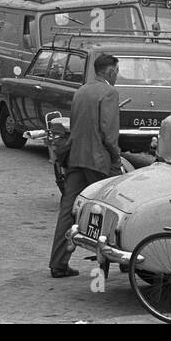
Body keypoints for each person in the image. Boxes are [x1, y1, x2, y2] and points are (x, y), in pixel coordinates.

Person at [49, 53, 122, 278]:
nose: (117, 75)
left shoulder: (82, 91)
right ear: (110, 71)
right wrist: (116, 156)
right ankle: (107, 263)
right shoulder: (109, 92)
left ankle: (58, 262)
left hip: (76, 157)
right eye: (117, 71)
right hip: (98, 161)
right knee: (109, 211)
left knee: (68, 209)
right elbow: (108, 133)